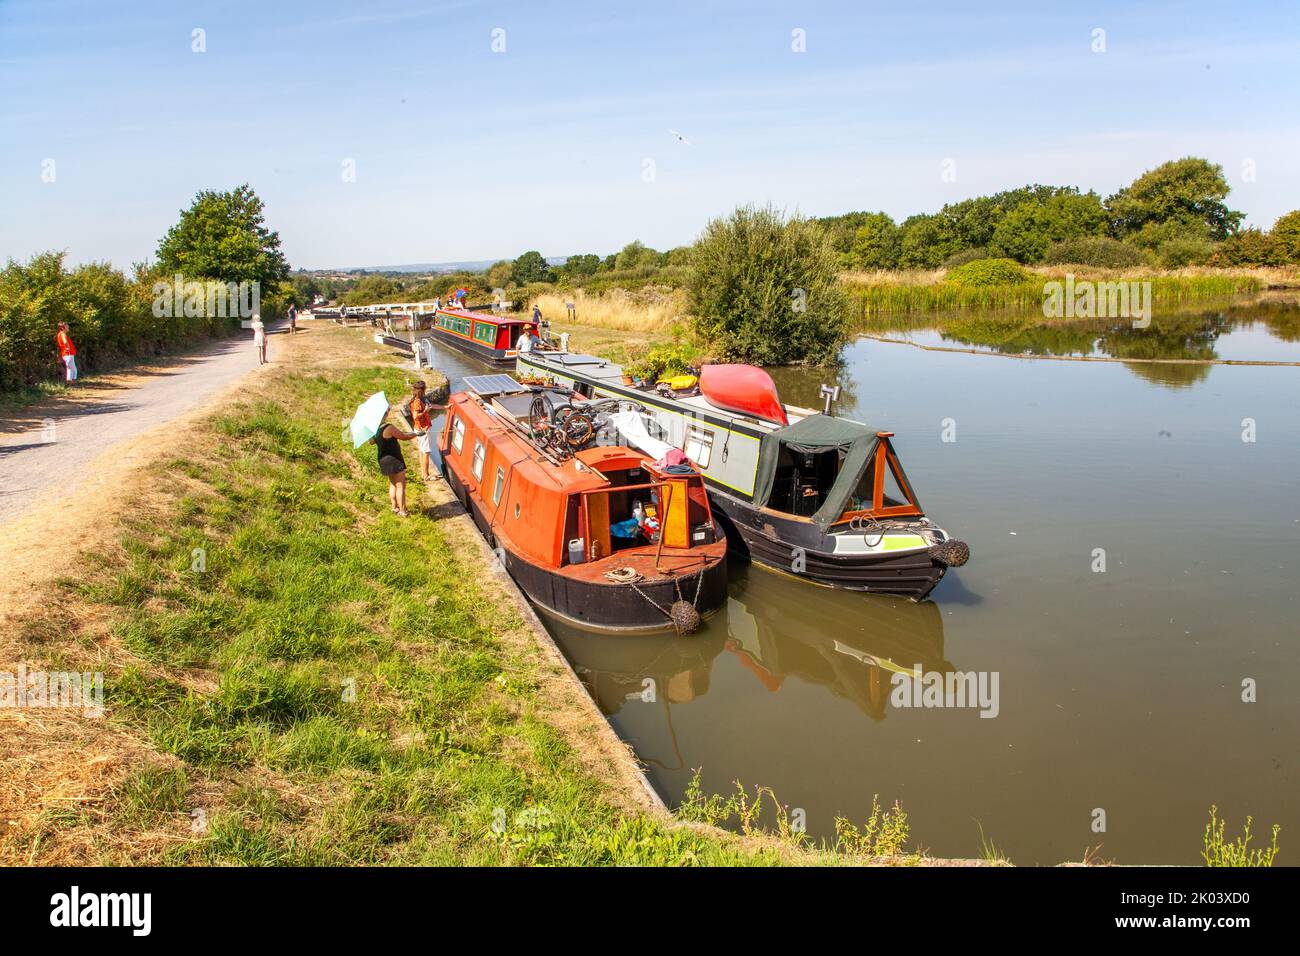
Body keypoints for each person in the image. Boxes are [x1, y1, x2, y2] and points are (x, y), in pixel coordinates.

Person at [373, 415, 419, 516]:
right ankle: (403, 511)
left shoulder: (374, 430)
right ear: (384, 415)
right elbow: (403, 436)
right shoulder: (388, 427)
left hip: (383, 459)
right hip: (394, 460)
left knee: (393, 483)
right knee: (400, 486)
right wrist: (416, 434)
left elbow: (371, 442)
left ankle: (394, 507)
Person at [402, 379, 442, 482]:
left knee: (421, 451)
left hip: (420, 428)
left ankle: (423, 473)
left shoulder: (421, 398)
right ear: (422, 389)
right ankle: (426, 476)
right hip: (422, 429)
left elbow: (432, 405)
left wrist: (445, 407)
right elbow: (415, 416)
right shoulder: (417, 402)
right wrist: (425, 411)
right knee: (426, 452)